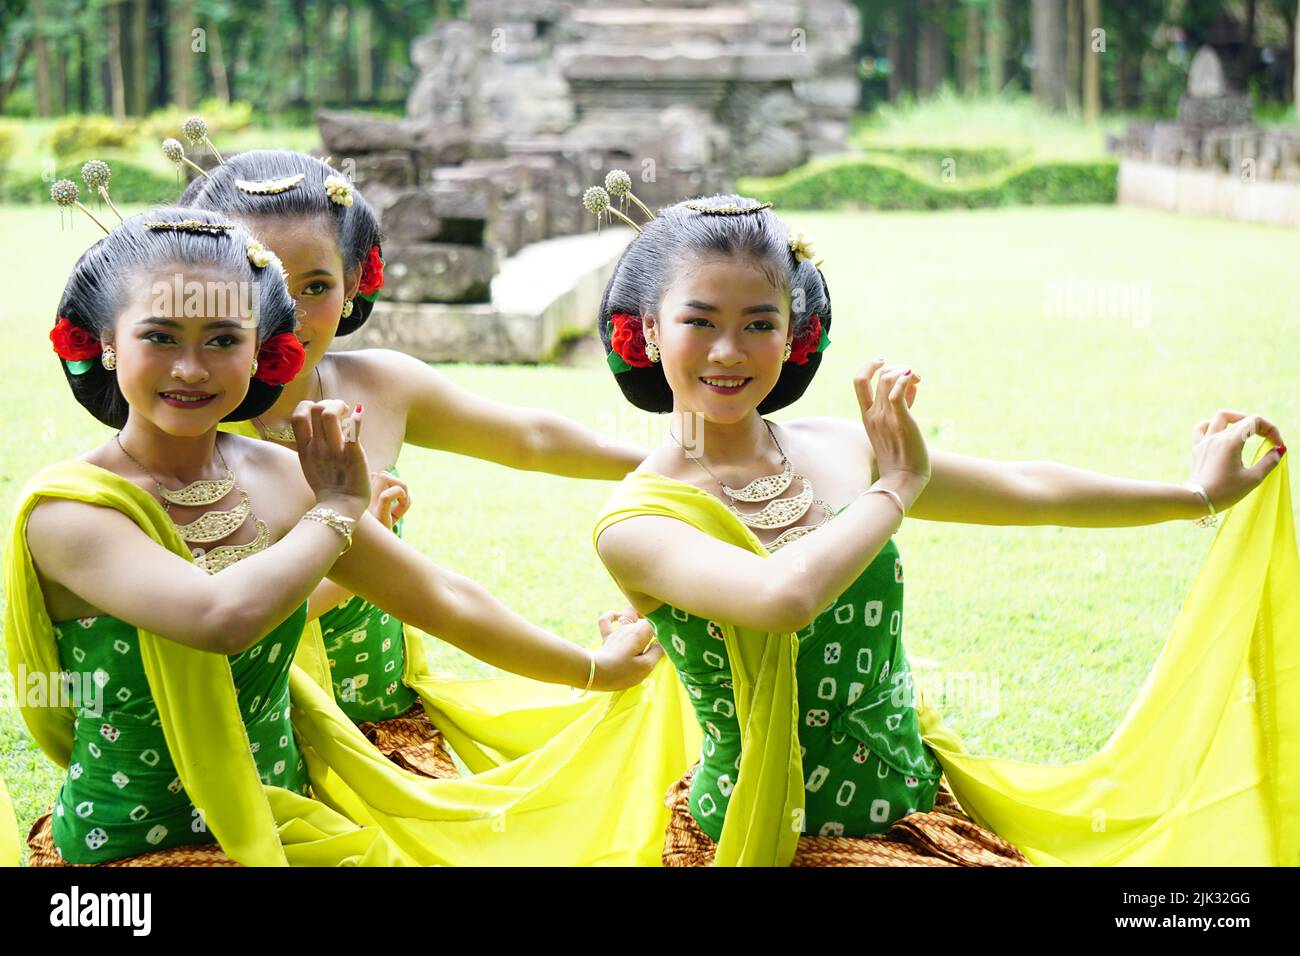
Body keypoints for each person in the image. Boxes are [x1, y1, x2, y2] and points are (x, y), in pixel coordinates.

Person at [589, 192, 1294, 866]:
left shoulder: (839, 446)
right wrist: (895, 488)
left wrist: (1194, 493)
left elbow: (1030, 490)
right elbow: (782, 599)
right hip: (766, 838)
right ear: (650, 328)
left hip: (917, 809)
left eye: (760, 323)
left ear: (794, 334)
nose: (730, 351)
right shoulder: (638, 520)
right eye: (701, 321)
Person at [8, 205, 659, 866]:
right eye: (161, 337)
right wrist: (341, 507)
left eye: (222, 340)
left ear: (262, 349)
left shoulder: (282, 476)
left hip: (296, 831)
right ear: (109, 341)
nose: (191, 368)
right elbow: (220, 617)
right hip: (126, 853)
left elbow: (439, 597)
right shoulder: (72, 511)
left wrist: (595, 671)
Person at [176, 148, 648, 774]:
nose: (285, 312)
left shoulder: (381, 385)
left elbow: (530, 437)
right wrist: (344, 548)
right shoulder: (191, 431)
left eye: (315, 286)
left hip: (387, 721)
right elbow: (222, 629)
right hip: (262, 738)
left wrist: (668, 463)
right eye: (257, 282)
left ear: (353, 285)